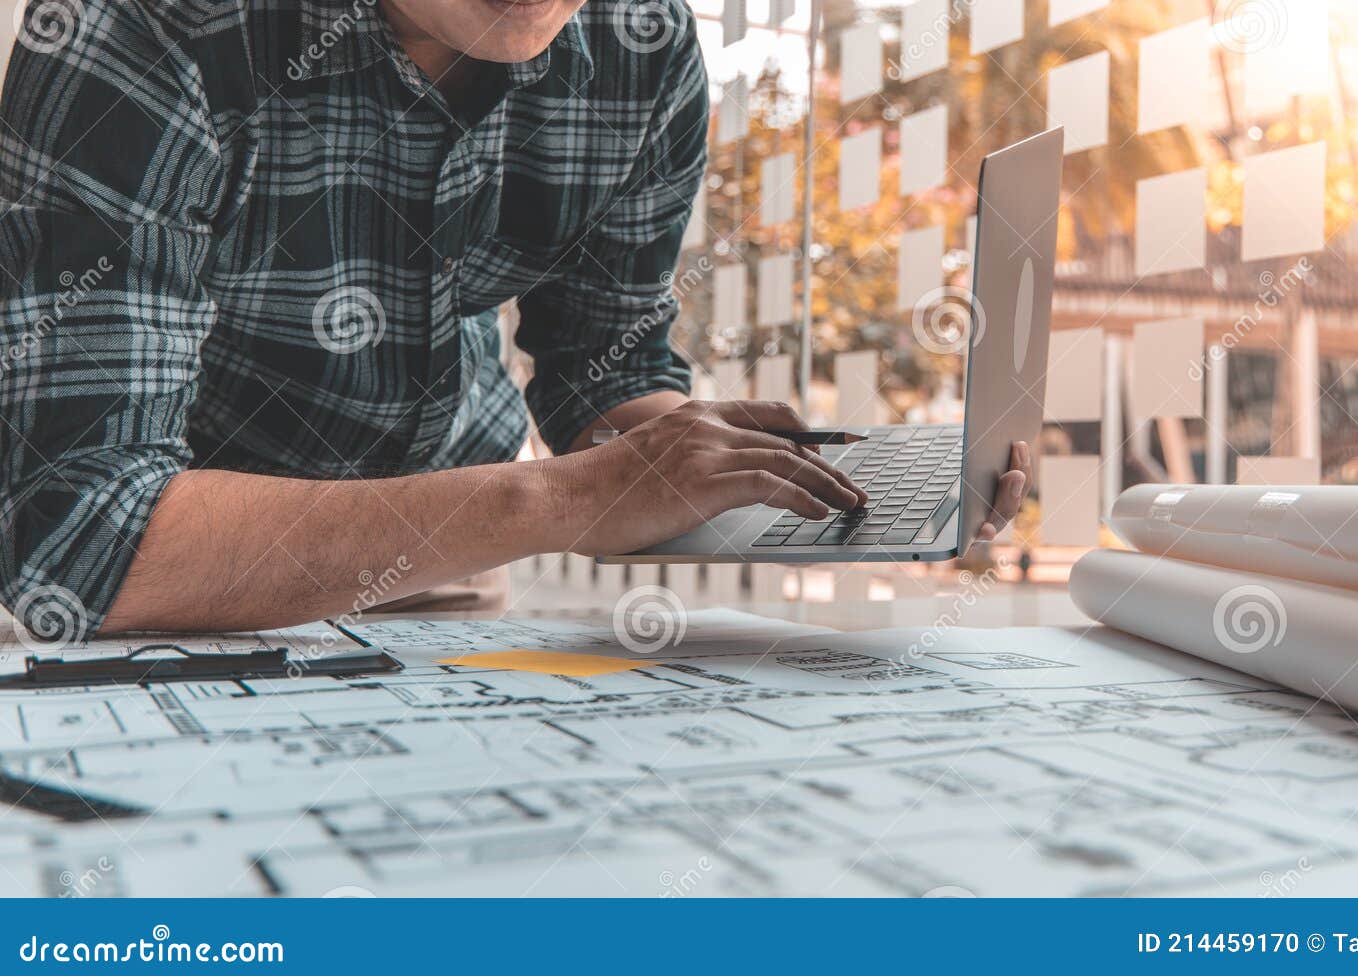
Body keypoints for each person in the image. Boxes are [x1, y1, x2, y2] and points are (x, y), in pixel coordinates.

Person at [0, 0, 1029, 639]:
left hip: (452, 601)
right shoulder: (138, 31)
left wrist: (725, 475)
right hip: (178, 611)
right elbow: (85, 537)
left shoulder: (641, 46)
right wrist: (560, 500)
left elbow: (603, 366)